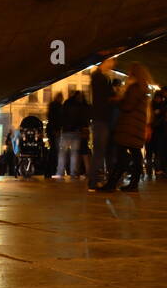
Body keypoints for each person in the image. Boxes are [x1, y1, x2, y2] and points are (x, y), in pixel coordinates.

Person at [99, 64, 153, 192]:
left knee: (122, 157)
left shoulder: (134, 88)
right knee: (134, 156)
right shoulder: (142, 87)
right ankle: (130, 184)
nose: (128, 74)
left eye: (129, 72)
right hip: (135, 127)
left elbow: (128, 106)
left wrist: (118, 100)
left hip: (129, 127)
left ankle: (112, 185)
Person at [87, 59, 118, 189]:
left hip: (102, 118)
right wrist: (116, 97)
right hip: (102, 119)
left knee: (103, 151)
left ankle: (104, 181)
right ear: (105, 62)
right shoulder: (99, 78)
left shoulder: (100, 77)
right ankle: (93, 182)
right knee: (100, 151)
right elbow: (105, 98)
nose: (113, 64)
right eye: (112, 61)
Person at [56, 90, 91, 179]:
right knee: (74, 153)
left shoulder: (67, 103)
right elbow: (84, 118)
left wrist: (60, 127)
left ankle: (60, 172)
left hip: (66, 131)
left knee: (63, 153)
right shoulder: (82, 106)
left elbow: (61, 116)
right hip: (76, 132)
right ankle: (73, 173)